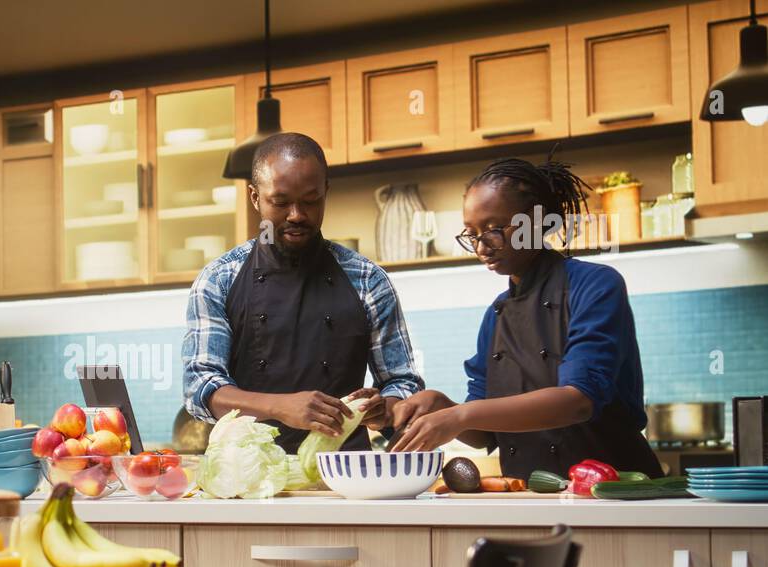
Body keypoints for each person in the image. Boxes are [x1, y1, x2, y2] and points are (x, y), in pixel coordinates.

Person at [390, 156, 662, 479]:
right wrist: (442, 405)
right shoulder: (495, 316)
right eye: (472, 234)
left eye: (493, 229)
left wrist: (461, 415)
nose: (481, 247)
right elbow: (483, 435)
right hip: (531, 496)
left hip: (612, 495)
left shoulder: (595, 285)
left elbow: (577, 401)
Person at [181, 132, 423, 452]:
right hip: (247, 478)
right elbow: (201, 388)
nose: (297, 215)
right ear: (255, 197)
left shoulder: (368, 280)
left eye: (310, 201)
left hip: (343, 477)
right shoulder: (218, 280)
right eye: (280, 202)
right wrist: (280, 408)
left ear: (326, 192)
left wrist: (384, 407)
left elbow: (403, 382)